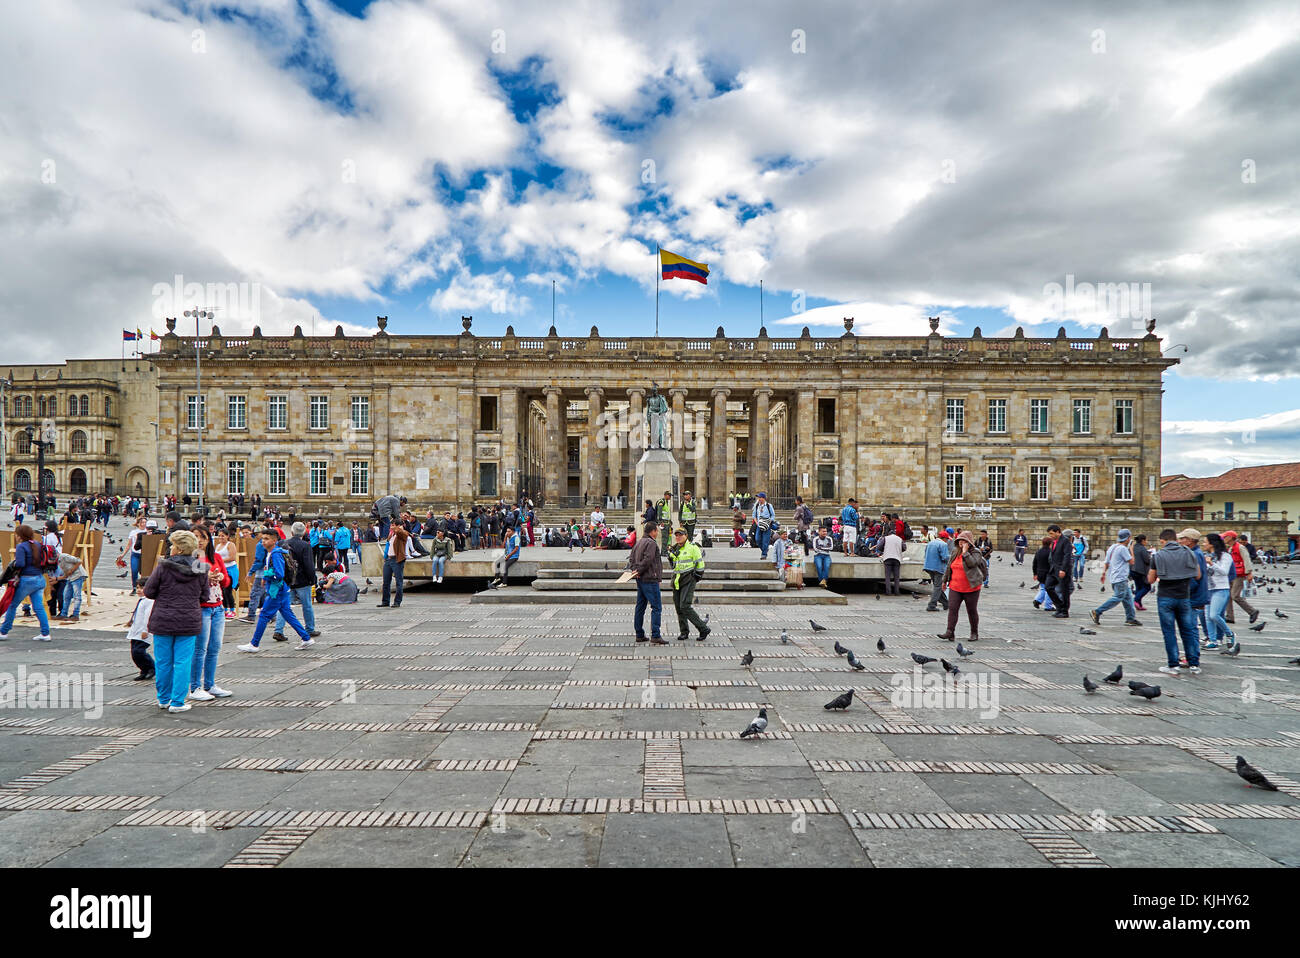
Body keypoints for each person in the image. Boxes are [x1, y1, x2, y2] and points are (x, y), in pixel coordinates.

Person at [143, 529, 209, 711]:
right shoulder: (200, 568)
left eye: (172, 545)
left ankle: (163, 699)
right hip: (188, 620)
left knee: (163, 661)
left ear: (179, 549)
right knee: (183, 662)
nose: (170, 547)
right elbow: (205, 596)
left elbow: (149, 591)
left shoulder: (163, 567)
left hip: (163, 619)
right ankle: (178, 701)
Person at [237, 529, 314, 651]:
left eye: (266, 539)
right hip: (281, 589)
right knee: (288, 614)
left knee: (264, 615)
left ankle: (254, 643)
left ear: (274, 540)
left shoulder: (275, 554)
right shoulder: (273, 553)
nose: (263, 541)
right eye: (262, 538)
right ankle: (306, 638)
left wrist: (266, 576)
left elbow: (279, 573)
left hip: (276, 590)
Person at [1147, 528, 1202, 676]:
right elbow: (1197, 575)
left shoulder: (1158, 555)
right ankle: (1194, 665)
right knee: (1188, 630)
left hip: (1165, 596)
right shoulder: (1189, 553)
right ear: (1176, 539)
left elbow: (1150, 580)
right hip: (1184, 596)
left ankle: (1173, 665)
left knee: (1169, 631)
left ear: (1163, 541)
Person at [189, 525, 232, 701]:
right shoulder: (190, 558)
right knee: (200, 649)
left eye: (203, 537)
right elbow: (189, 580)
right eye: (196, 536)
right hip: (202, 607)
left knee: (215, 647)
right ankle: (195, 686)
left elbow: (227, 581)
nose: (199, 540)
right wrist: (205, 577)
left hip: (218, 606)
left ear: (208, 539)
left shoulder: (216, 558)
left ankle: (210, 684)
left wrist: (222, 578)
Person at [0, 525, 52, 640]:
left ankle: (3, 631)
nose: (16, 537)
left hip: (26, 580)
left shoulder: (21, 547)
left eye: (17, 534)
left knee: (12, 605)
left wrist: (13, 564)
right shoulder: (37, 544)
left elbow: (20, 564)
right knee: (38, 607)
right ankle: (45, 633)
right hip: (39, 579)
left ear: (21, 536)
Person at [937, 531, 987, 642]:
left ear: (969, 542)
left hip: (971, 587)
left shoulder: (976, 552)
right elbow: (949, 567)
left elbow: (973, 563)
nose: (961, 542)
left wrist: (965, 553)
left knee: (971, 610)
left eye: (964, 540)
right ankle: (950, 632)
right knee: (953, 609)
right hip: (955, 587)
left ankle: (974, 633)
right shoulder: (955, 552)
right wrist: (944, 581)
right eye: (960, 540)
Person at [274, 523, 320, 639]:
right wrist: (312, 578)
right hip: (302, 579)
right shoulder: (305, 545)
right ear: (304, 532)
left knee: (284, 606)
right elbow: (308, 564)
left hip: (287, 580)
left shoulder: (283, 544)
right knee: (307, 605)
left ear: (292, 532)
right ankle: (309, 628)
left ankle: (278, 630)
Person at [1090, 529, 1140, 627]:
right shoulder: (1123, 549)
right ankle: (1097, 611)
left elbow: (1107, 562)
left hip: (1114, 577)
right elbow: (1132, 561)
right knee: (1118, 597)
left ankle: (1130, 618)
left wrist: (1103, 574)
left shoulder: (1112, 547)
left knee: (1128, 598)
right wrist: (1131, 549)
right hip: (1120, 577)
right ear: (1128, 538)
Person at [629, 522, 668, 644]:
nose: (657, 533)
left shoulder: (639, 542)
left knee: (640, 607)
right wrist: (639, 570)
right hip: (650, 579)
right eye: (657, 531)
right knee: (656, 607)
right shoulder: (651, 543)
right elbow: (648, 559)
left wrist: (635, 571)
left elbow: (631, 558)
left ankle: (639, 634)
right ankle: (655, 635)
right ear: (653, 531)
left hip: (640, 579)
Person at [668, 527, 710, 640]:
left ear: (686, 536)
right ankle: (684, 632)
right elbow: (673, 566)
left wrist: (697, 576)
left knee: (685, 606)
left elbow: (700, 564)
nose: (678, 537)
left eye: (680, 535)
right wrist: (670, 557)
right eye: (676, 535)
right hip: (677, 580)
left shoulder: (693, 547)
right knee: (678, 608)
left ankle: (703, 628)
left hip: (688, 579)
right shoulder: (674, 549)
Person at [1202, 533, 1235, 651]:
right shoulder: (1205, 555)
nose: (1203, 544)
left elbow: (1224, 572)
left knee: (1214, 615)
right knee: (1208, 617)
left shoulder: (1225, 556)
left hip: (1221, 588)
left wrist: (1211, 563)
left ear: (1212, 543)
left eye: (1205, 541)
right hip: (1208, 588)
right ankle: (1213, 640)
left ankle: (1229, 633)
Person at [1221, 531, 1260, 626]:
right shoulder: (1230, 548)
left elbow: (1246, 559)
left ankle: (1252, 611)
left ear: (1230, 537)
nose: (1223, 539)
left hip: (1239, 574)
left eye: (1225, 537)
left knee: (1235, 596)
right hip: (1232, 574)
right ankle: (1229, 616)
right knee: (1228, 596)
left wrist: (1249, 573)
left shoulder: (1240, 547)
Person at [379, 521, 411, 606]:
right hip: (389, 559)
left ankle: (397, 602)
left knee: (398, 582)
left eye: (393, 525)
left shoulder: (402, 534)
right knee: (386, 582)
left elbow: (405, 534)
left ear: (398, 526)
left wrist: (397, 529)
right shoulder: (392, 534)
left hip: (397, 560)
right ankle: (385, 601)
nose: (391, 527)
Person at [125, 594, 155, 681]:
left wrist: (145, 630)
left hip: (143, 632)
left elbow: (148, 616)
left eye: (142, 588)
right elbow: (137, 613)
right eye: (138, 587)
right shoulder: (142, 600)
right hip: (135, 631)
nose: (139, 590)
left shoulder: (150, 600)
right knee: (134, 653)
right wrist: (131, 621)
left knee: (138, 651)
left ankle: (152, 667)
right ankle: (144, 670)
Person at [52, 549, 87, 624]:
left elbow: (79, 561)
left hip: (78, 576)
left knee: (77, 596)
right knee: (66, 596)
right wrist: (57, 579)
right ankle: (63, 614)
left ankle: (75, 615)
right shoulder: (59, 562)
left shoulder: (64, 556)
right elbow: (66, 575)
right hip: (70, 578)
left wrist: (72, 570)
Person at [1047, 525, 1074, 618]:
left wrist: (1063, 569)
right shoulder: (1054, 541)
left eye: (1051, 533)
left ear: (1058, 532)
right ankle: (1059, 606)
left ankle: (1064, 611)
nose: (1050, 535)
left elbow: (1067, 556)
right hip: (1053, 569)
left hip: (1062, 570)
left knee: (1064, 591)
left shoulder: (1065, 541)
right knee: (1048, 587)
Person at [923, 530, 951, 611]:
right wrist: (952, 558)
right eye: (947, 539)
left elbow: (925, 554)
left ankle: (946, 603)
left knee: (937, 586)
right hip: (938, 568)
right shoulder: (943, 544)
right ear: (944, 538)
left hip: (928, 566)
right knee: (938, 586)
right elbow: (945, 557)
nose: (948, 541)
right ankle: (931, 605)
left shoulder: (930, 543)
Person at [488, 525, 520, 590]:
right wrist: (505, 537)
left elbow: (516, 549)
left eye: (509, 531)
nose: (507, 532)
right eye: (507, 531)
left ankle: (504, 583)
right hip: (507, 555)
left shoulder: (516, 538)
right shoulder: (508, 537)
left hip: (514, 556)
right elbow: (503, 546)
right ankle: (497, 578)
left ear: (513, 532)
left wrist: (508, 556)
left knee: (505, 566)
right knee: (497, 562)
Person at [1130, 533, 1153, 611]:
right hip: (1140, 571)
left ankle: (1139, 604)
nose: (1146, 542)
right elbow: (1147, 560)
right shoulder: (1142, 548)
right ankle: (1136, 600)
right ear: (1143, 540)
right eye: (1146, 540)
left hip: (1132, 570)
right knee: (1147, 587)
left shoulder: (1133, 547)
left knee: (1139, 587)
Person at [881, 524, 905, 595]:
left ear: (889, 534)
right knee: (896, 577)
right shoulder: (900, 539)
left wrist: (884, 549)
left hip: (887, 558)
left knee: (887, 576)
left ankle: (888, 592)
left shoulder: (885, 538)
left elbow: (879, 547)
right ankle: (897, 592)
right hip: (897, 559)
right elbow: (904, 548)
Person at [752, 492, 776, 560]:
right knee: (757, 539)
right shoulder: (756, 506)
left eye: (760, 497)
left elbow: (773, 515)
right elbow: (754, 516)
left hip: (767, 525)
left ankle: (764, 554)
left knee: (765, 540)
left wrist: (769, 522)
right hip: (759, 525)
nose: (759, 499)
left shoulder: (769, 506)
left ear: (764, 498)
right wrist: (757, 523)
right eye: (758, 497)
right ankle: (764, 549)